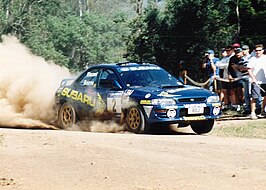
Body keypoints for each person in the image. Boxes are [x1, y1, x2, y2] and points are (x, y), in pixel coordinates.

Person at [247, 44, 266, 119]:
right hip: (256, 82)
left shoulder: (265, 58)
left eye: (260, 50)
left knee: (265, 96)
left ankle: (263, 111)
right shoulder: (253, 59)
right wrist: (253, 78)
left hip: (264, 80)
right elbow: (249, 69)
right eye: (256, 50)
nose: (258, 52)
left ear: (263, 50)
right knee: (254, 97)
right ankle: (253, 113)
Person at [216, 45, 235, 110]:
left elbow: (231, 65)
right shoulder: (225, 58)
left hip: (233, 77)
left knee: (232, 91)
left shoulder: (233, 57)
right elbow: (218, 65)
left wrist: (226, 65)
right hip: (225, 77)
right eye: (226, 50)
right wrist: (225, 65)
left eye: (228, 50)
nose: (227, 52)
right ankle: (227, 105)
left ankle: (234, 104)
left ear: (232, 50)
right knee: (225, 91)